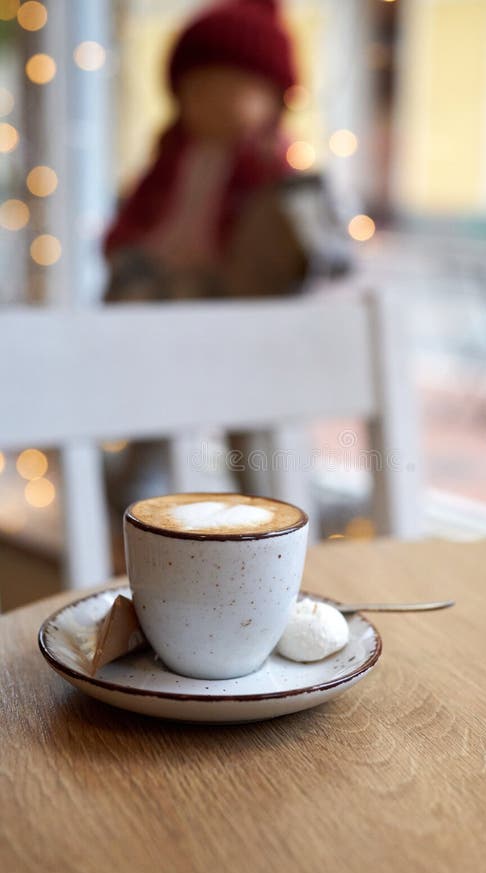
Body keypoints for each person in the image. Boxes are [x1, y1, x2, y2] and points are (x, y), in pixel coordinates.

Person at [103, 0, 350, 512]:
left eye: (232, 89)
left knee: (252, 433)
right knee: (152, 422)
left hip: (237, 320)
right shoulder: (170, 159)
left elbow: (301, 241)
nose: (213, 103)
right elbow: (129, 222)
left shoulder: (271, 167)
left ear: (274, 100)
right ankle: (133, 515)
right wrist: (124, 254)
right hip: (165, 310)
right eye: (199, 89)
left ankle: (266, 520)